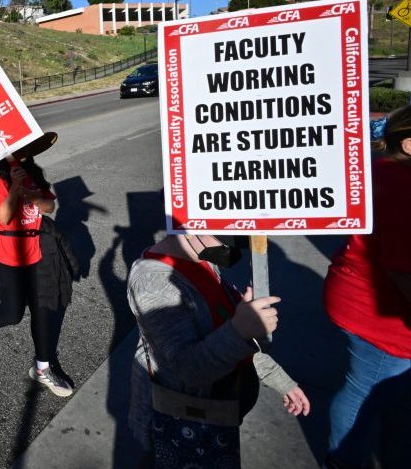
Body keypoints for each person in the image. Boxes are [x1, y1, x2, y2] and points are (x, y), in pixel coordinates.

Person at [127, 234, 310, 467]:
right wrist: (239, 329)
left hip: (218, 418)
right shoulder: (154, 281)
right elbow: (188, 369)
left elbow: (225, 331)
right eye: (226, 240)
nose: (230, 249)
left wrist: (278, 378)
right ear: (192, 226)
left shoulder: (201, 259)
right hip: (184, 427)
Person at [323, 106, 411, 469]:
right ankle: (343, 460)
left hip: (356, 294)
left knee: (392, 395)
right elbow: (403, 271)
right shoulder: (401, 184)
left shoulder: (381, 168)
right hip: (376, 314)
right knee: (367, 389)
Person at [0, 134, 75, 397]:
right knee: (13, 314)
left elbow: (49, 206)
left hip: (38, 251)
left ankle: (42, 368)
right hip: (6, 254)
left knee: (43, 309)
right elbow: (2, 218)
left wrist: (29, 191)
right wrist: (14, 188)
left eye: (25, 147)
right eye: (18, 148)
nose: (23, 152)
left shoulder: (31, 173)